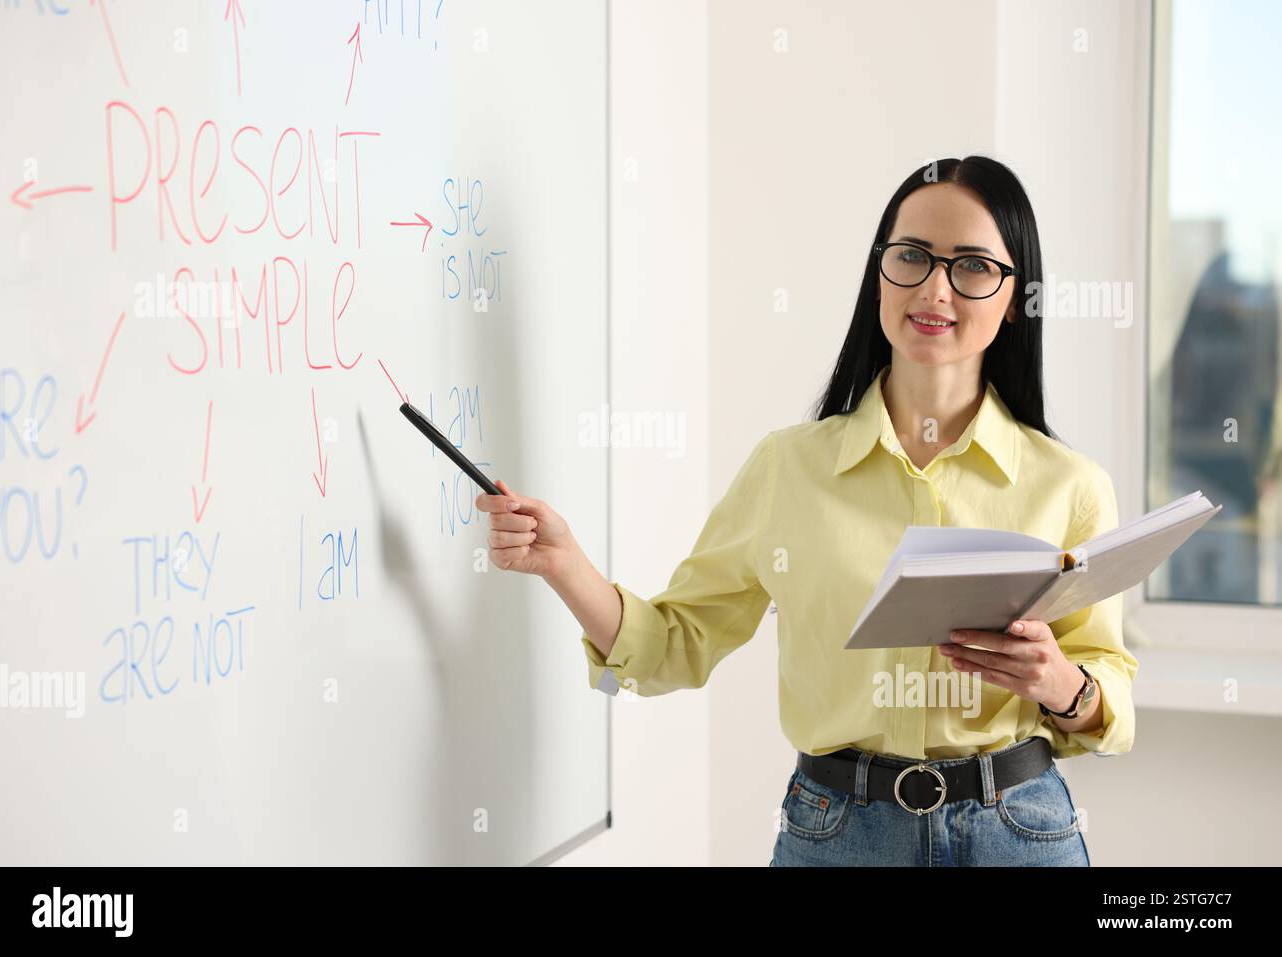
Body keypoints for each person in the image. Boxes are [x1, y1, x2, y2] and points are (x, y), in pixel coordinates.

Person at [474, 155, 1137, 867]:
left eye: (972, 265)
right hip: (839, 836)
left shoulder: (1071, 485)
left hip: (1020, 834)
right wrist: (566, 565)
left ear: (1014, 298)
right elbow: (671, 647)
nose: (935, 287)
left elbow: (1110, 706)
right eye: (911, 256)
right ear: (879, 273)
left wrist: (1058, 683)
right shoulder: (788, 469)